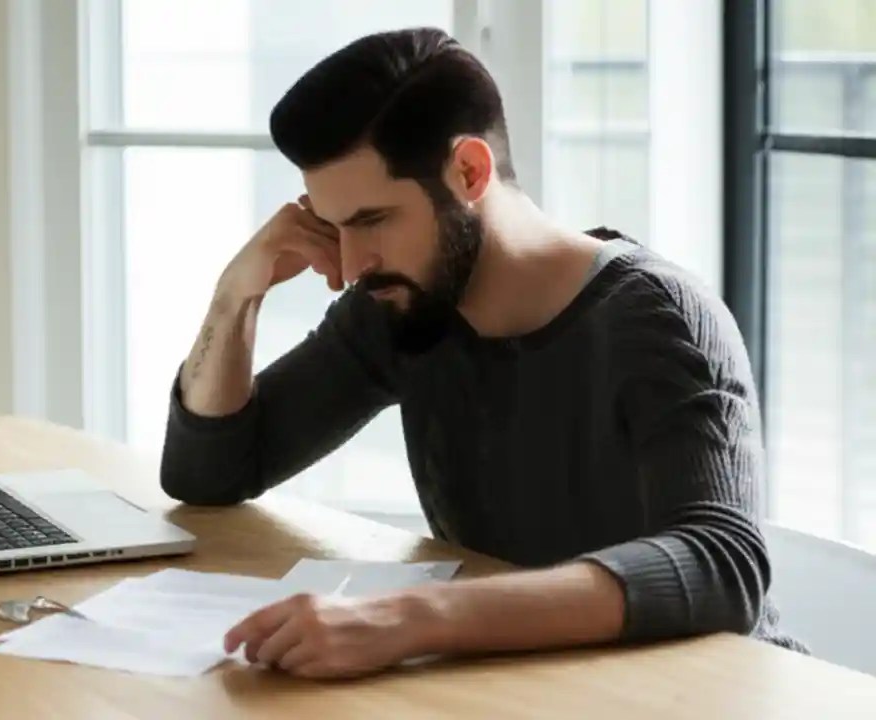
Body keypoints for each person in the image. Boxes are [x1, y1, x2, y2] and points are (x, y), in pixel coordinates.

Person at [157, 27, 803, 679]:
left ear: (469, 172)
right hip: (531, 686)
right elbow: (208, 475)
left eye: (372, 221)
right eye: (334, 226)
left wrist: (408, 617)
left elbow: (721, 564)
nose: (350, 265)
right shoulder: (402, 305)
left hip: (711, 694)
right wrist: (234, 296)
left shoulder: (659, 322)